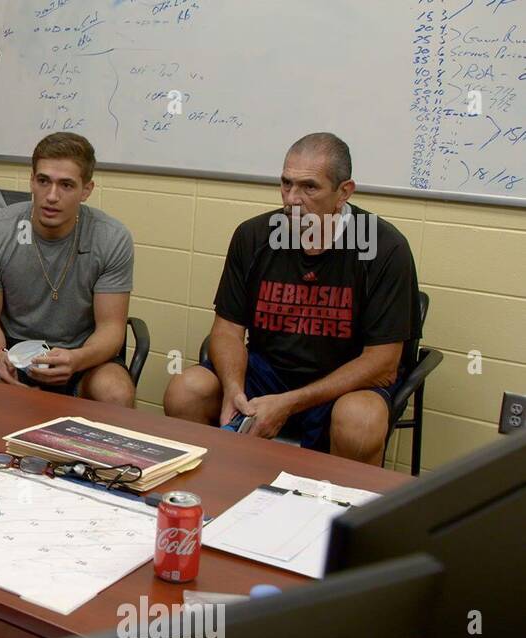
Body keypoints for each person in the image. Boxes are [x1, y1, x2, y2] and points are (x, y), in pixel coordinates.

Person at [163, 133, 419, 465]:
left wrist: (290, 402)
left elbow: (383, 363)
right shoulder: (254, 236)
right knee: (186, 391)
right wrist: (233, 388)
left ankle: (340, 512)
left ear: (344, 192)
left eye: (309, 187)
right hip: (267, 373)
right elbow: (226, 330)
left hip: (342, 383)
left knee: (361, 421)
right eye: (286, 184)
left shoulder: (384, 247)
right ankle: (210, 498)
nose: (292, 200)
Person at [0, 131, 136, 405]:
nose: (51, 196)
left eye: (66, 185)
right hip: (8, 350)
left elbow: (111, 328)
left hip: (80, 355)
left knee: (116, 392)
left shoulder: (111, 238)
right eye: (43, 181)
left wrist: (77, 359)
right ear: (31, 181)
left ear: (86, 190)